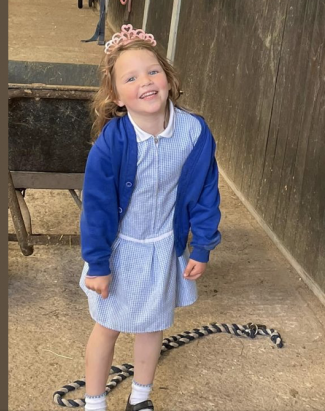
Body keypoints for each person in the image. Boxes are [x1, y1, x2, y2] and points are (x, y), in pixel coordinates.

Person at [79, 25, 221, 411]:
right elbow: (97, 209)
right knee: (108, 326)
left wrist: (202, 245)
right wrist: (98, 263)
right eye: (131, 78)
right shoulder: (112, 144)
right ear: (116, 96)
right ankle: (94, 402)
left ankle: (140, 397)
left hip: (162, 246)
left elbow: (206, 192)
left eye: (153, 71)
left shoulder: (194, 132)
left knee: (152, 325)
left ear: (168, 79)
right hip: (120, 250)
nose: (145, 81)